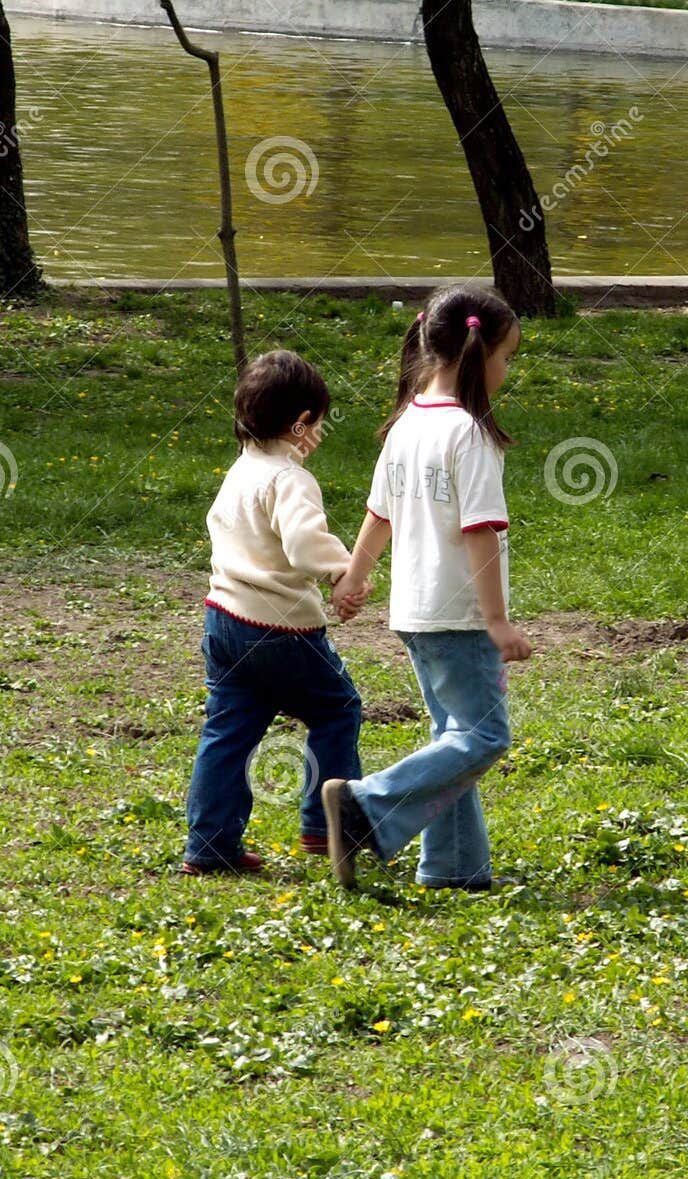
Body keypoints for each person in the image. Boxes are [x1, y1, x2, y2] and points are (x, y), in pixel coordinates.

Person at [323, 286, 532, 893]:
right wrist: (495, 620)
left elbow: (378, 514)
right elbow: (481, 532)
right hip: (459, 615)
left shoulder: (407, 424)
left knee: (453, 738)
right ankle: (365, 806)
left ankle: (454, 866)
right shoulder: (469, 434)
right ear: (476, 352)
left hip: (413, 611)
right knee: (484, 737)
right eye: (507, 357)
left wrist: (355, 577)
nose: (506, 371)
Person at [182, 350, 368, 876]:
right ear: (301, 423)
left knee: (229, 730)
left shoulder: (241, 471)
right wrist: (345, 571)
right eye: (319, 426)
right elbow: (306, 547)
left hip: (223, 619)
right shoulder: (289, 478)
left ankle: (210, 847)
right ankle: (324, 824)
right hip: (280, 628)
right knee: (336, 709)